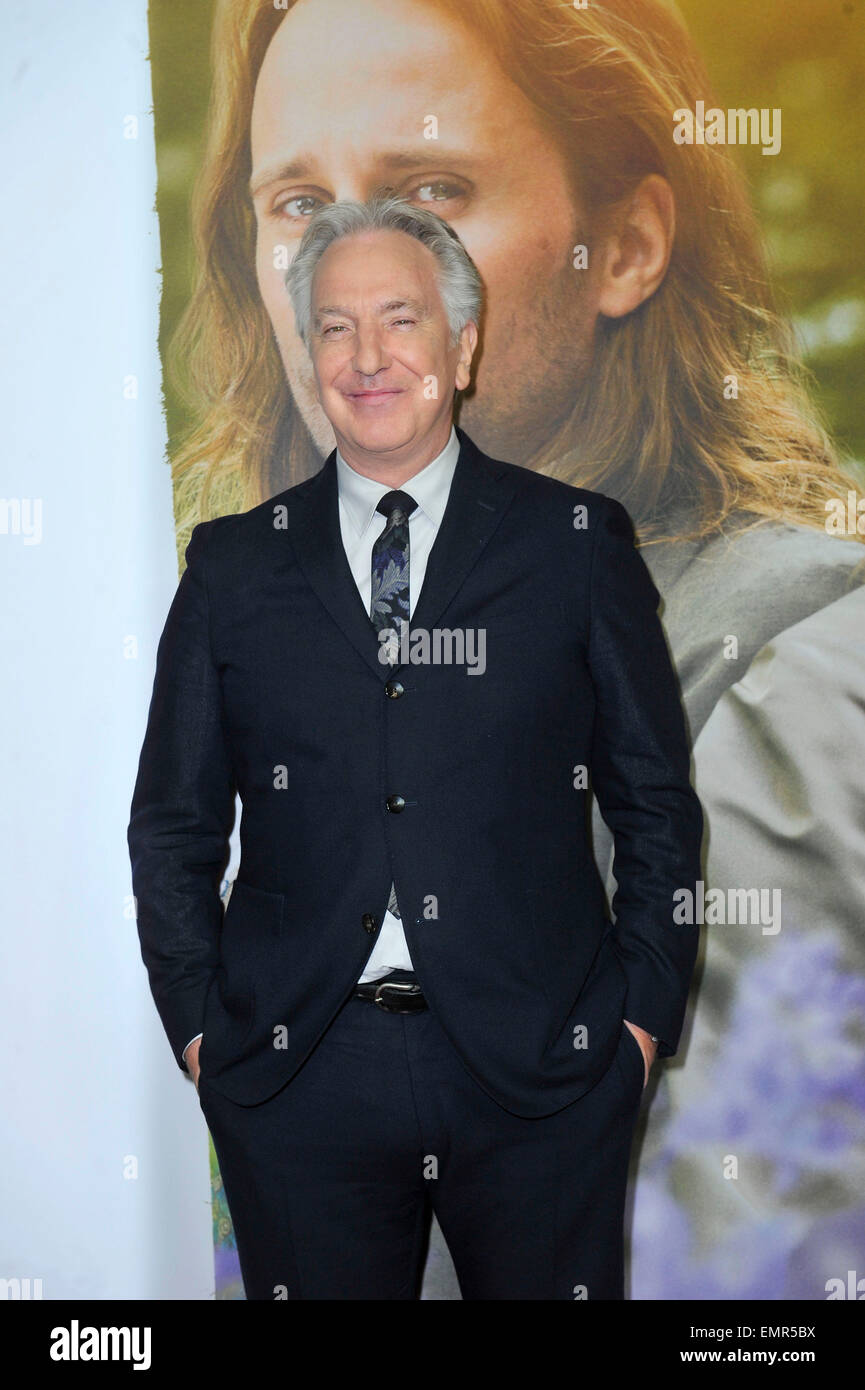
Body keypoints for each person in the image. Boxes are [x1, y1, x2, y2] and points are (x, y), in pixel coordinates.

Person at [162, 0, 865, 1300]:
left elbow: (742, 1269)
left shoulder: (788, 675)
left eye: (432, 188)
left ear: (627, 246)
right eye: (299, 205)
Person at [128, 195, 704, 1300]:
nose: (368, 356)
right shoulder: (234, 567)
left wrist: (636, 1019)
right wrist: (205, 1030)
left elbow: (655, 805)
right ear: (306, 356)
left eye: (399, 318)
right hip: (299, 1072)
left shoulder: (573, 543)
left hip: (545, 1067)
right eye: (334, 327)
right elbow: (174, 822)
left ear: (463, 343)